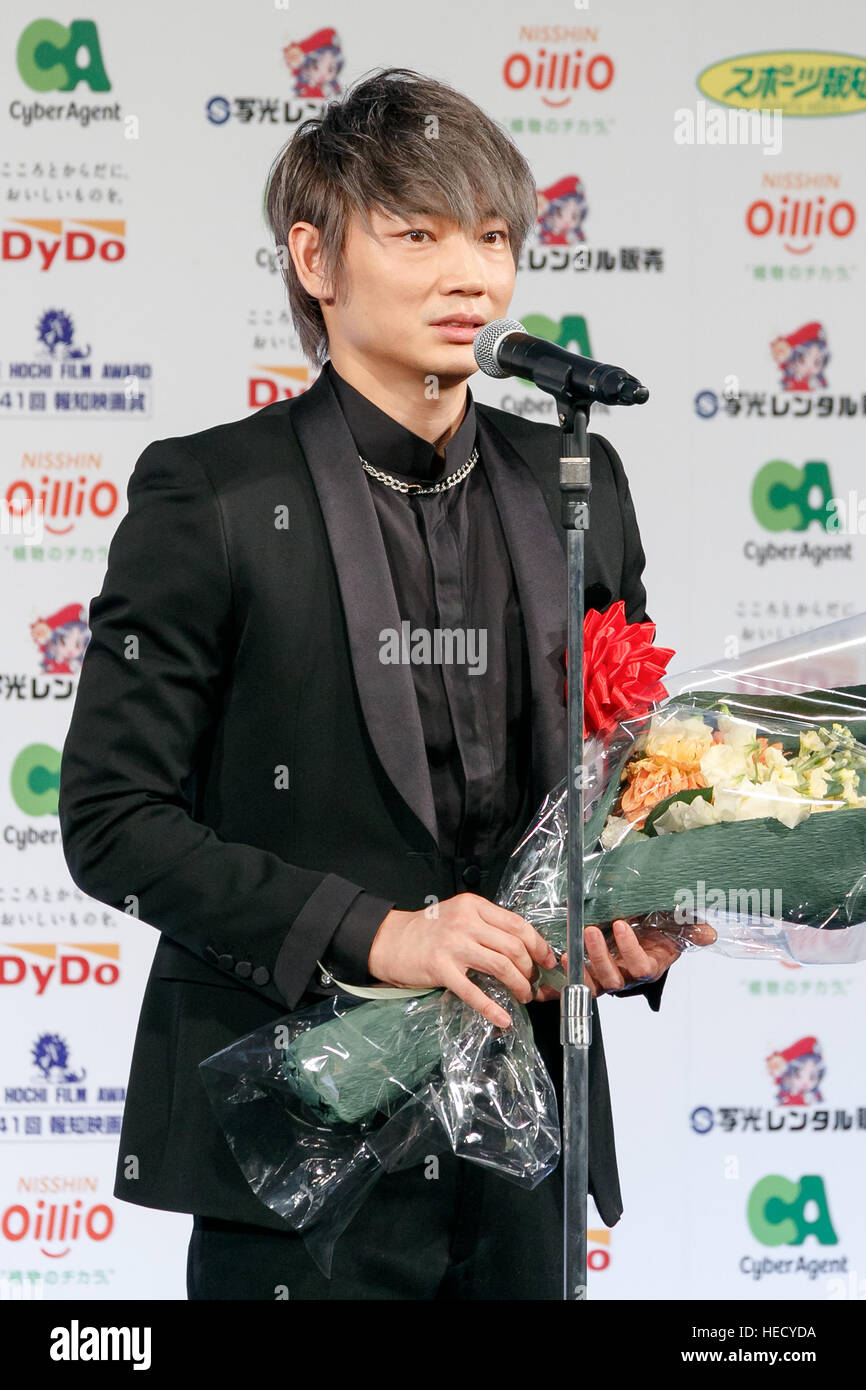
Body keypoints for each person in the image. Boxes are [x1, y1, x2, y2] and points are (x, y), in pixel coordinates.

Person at [58, 67, 692, 1301]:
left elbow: (623, 778)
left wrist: (625, 920)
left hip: (529, 1148)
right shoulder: (213, 497)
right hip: (297, 1142)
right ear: (314, 259)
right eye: (418, 234)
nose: (472, 275)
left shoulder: (577, 480)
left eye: (495, 236)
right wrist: (381, 933)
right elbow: (112, 821)